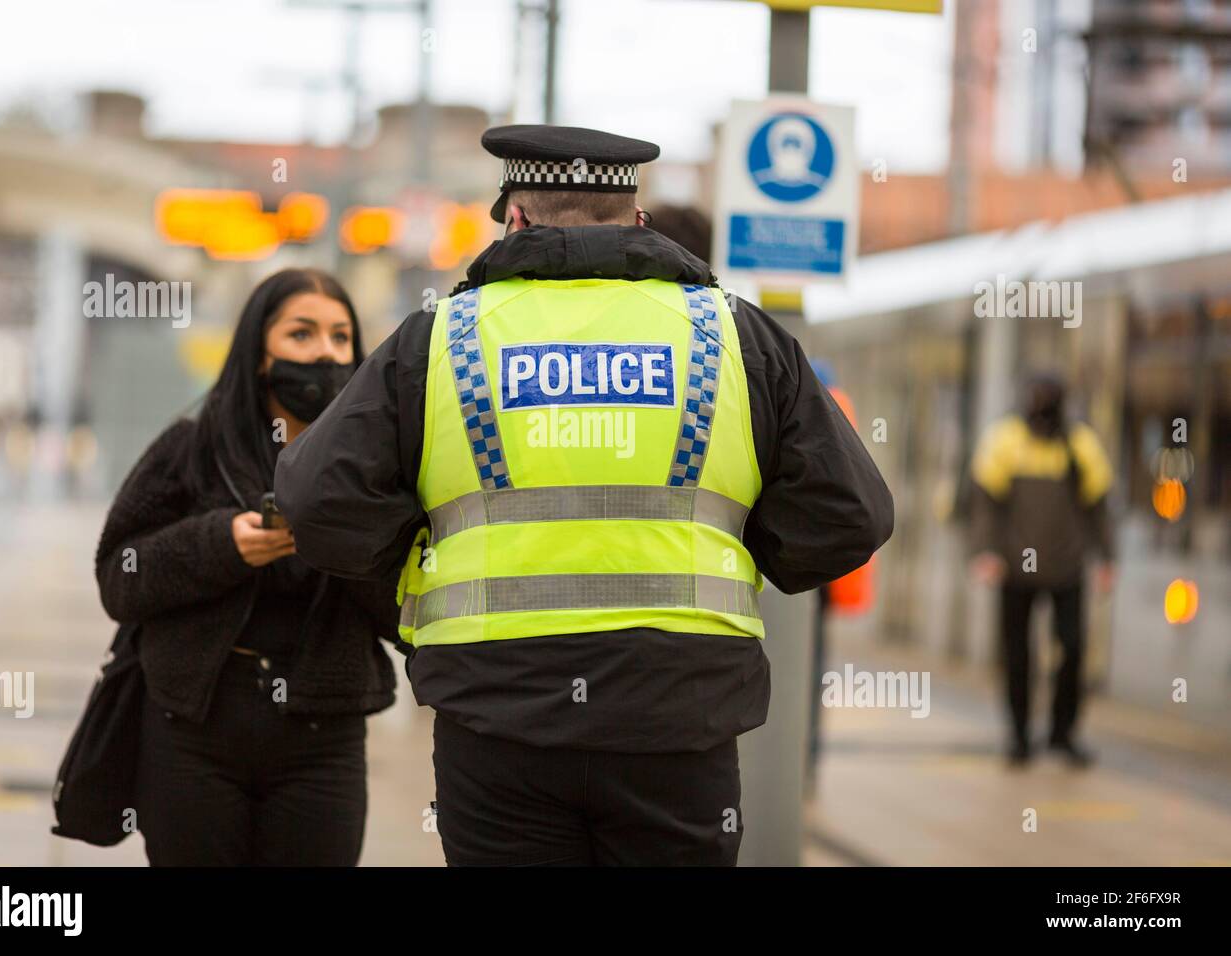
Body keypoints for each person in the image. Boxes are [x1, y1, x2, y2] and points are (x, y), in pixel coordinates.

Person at [276, 125, 893, 866]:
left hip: (498, 716)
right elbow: (851, 512)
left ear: (515, 217)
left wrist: (416, 558)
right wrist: (744, 541)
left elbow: (315, 501)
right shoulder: (736, 336)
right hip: (681, 718)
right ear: (638, 219)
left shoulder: (438, 338)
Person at [94, 268, 401, 866]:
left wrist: (339, 536)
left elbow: (408, 611)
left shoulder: (377, 465)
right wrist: (220, 546)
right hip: (194, 732)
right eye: (302, 335)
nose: (326, 354)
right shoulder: (189, 451)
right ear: (260, 353)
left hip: (323, 739)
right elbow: (119, 577)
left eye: (341, 338)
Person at [969, 371, 1115, 768]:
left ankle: (1062, 734)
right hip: (1014, 568)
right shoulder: (1005, 440)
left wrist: (1107, 557)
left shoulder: (1080, 444)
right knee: (1018, 654)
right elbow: (984, 503)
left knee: (1072, 647)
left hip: (1067, 567)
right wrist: (985, 551)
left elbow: (1098, 505)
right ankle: (1019, 736)